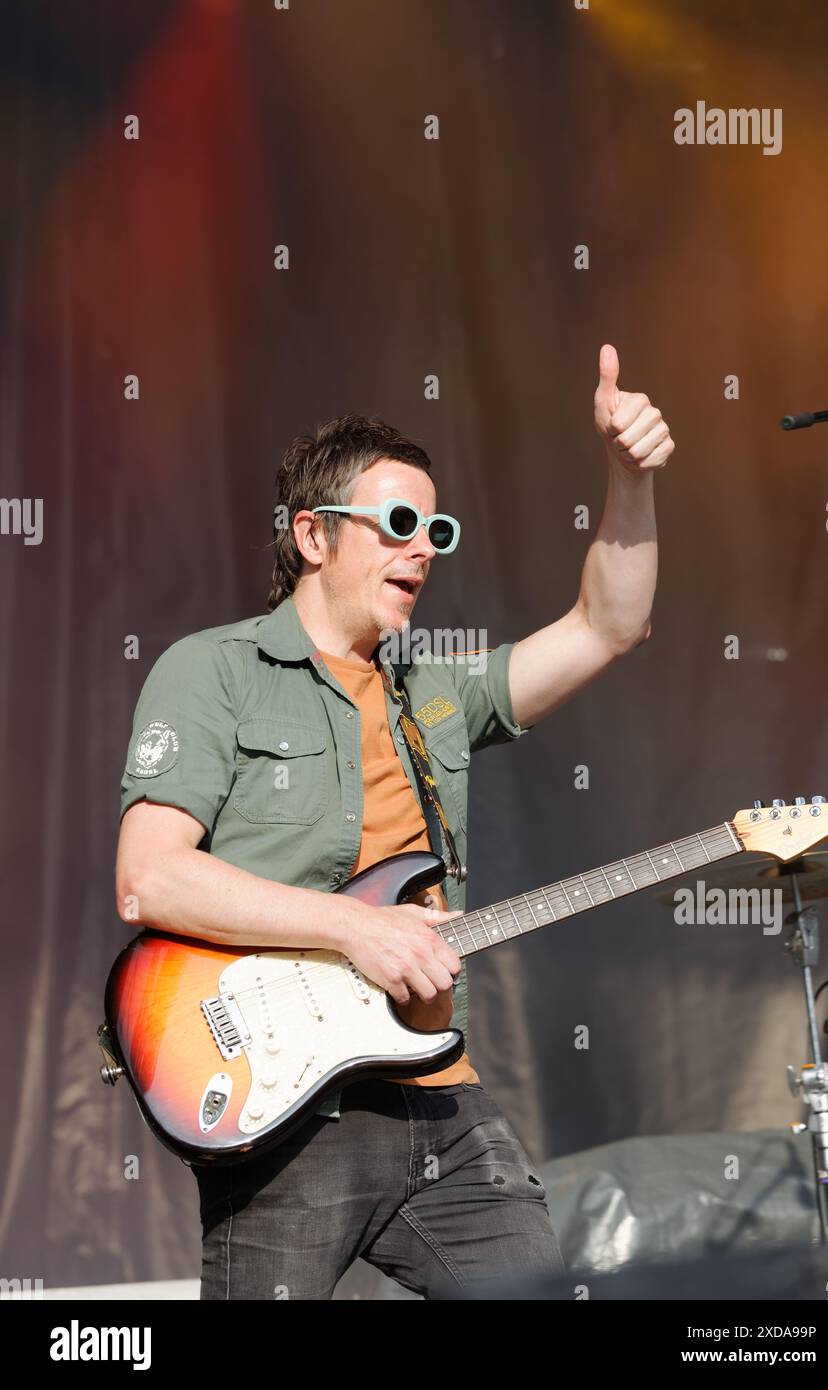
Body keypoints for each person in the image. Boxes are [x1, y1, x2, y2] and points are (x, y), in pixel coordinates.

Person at [115, 343, 673, 1299]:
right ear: (314, 536)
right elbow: (149, 878)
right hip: (290, 1113)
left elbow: (606, 625)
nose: (424, 548)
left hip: (438, 1099)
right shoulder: (212, 670)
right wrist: (354, 926)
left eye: (436, 530)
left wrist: (628, 478)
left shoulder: (437, 691)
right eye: (400, 523)